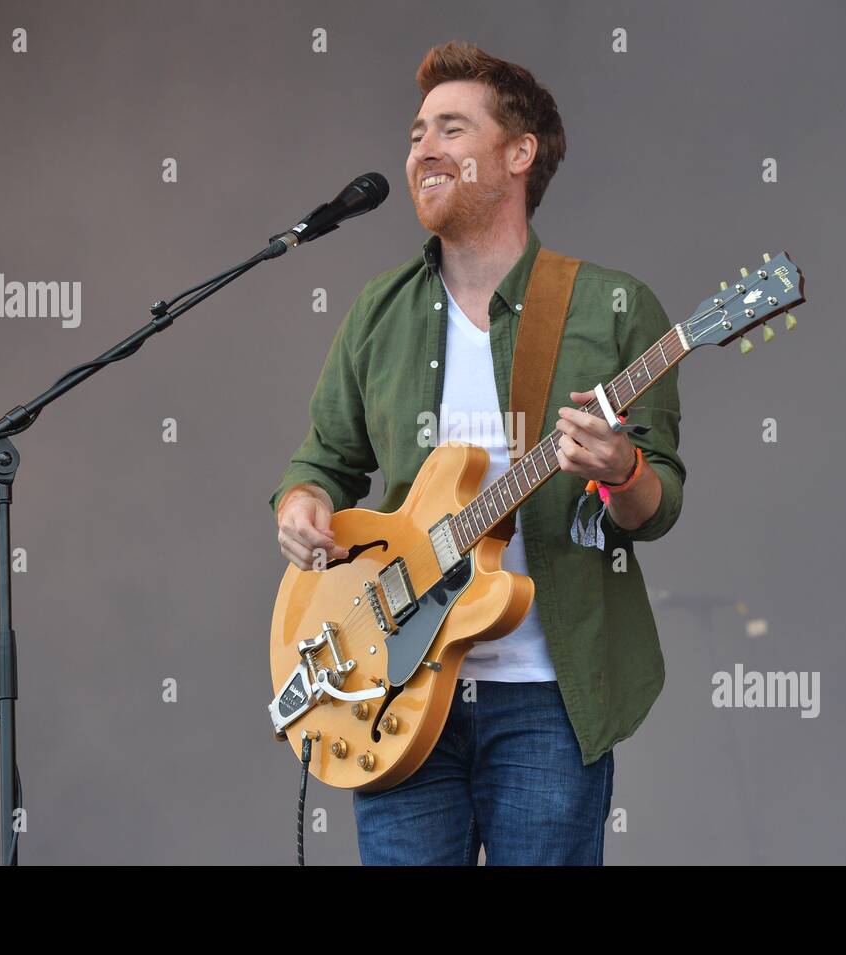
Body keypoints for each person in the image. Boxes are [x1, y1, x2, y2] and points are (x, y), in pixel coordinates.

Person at [269, 40, 686, 865]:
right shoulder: (378, 312)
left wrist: (622, 472)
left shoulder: (609, 307)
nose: (422, 148)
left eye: (451, 129)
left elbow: (657, 503)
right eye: (417, 132)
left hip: (547, 699)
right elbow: (323, 457)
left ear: (518, 154)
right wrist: (300, 506)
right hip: (388, 688)